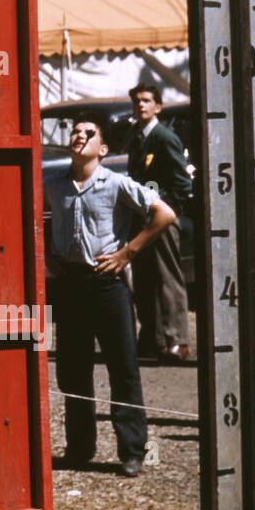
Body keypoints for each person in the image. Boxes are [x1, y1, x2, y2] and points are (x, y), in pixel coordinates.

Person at [45, 119, 175, 477]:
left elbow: (164, 214)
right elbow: (30, 215)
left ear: (103, 150)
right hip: (69, 286)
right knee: (72, 370)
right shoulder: (53, 183)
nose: (79, 136)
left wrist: (127, 253)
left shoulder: (116, 184)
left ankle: (132, 452)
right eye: (75, 131)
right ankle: (80, 447)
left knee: (123, 369)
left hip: (107, 285)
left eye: (90, 133)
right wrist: (45, 253)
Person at [125, 84, 194, 362]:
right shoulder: (136, 137)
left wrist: (166, 208)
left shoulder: (164, 137)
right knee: (143, 279)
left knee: (168, 277)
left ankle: (177, 339)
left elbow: (182, 182)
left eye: (146, 101)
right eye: (136, 102)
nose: (140, 106)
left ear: (158, 107)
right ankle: (152, 337)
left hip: (162, 218)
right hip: (140, 218)